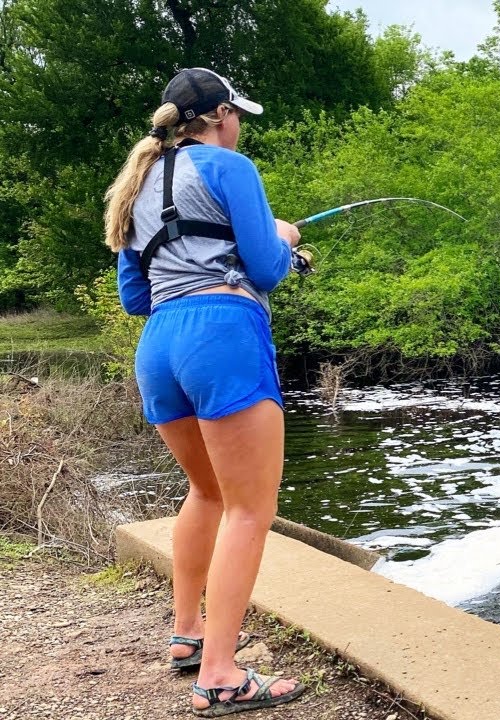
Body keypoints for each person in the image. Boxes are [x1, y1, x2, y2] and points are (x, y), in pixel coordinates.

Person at [103, 67, 306, 716]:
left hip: (159, 347)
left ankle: (187, 636)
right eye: (238, 115)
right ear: (219, 116)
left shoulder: (135, 189)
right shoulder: (229, 168)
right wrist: (283, 237)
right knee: (249, 509)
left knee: (209, 491)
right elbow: (270, 270)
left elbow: (135, 297)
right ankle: (219, 674)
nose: (240, 126)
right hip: (222, 336)